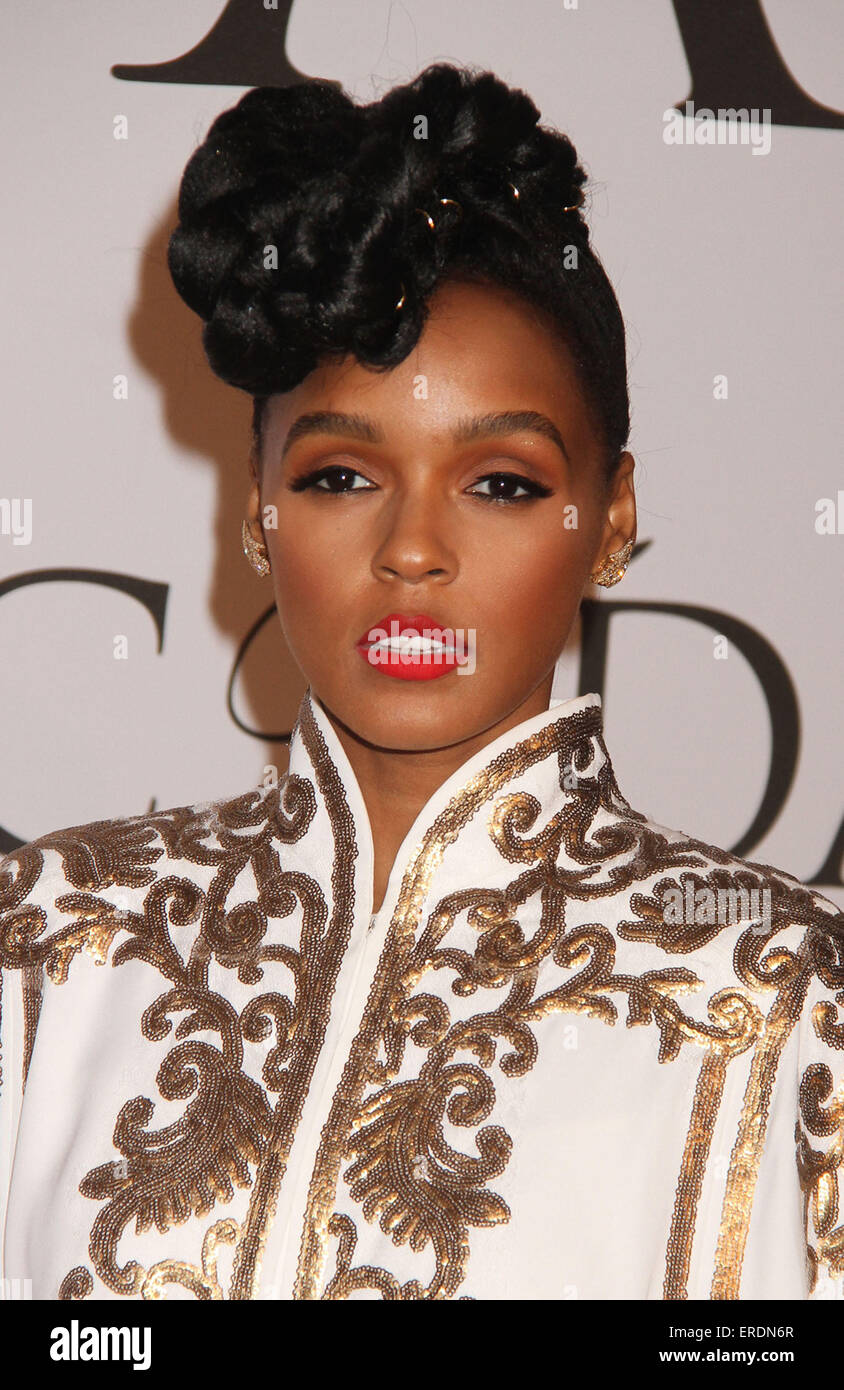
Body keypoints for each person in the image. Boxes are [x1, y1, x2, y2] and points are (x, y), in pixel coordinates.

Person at [1, 63, 842, 1303]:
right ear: (259, 509)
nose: (409, 549)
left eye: (501, 481)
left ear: (610, 518)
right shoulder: (50, 947)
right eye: (340, 473)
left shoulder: (786, 994)